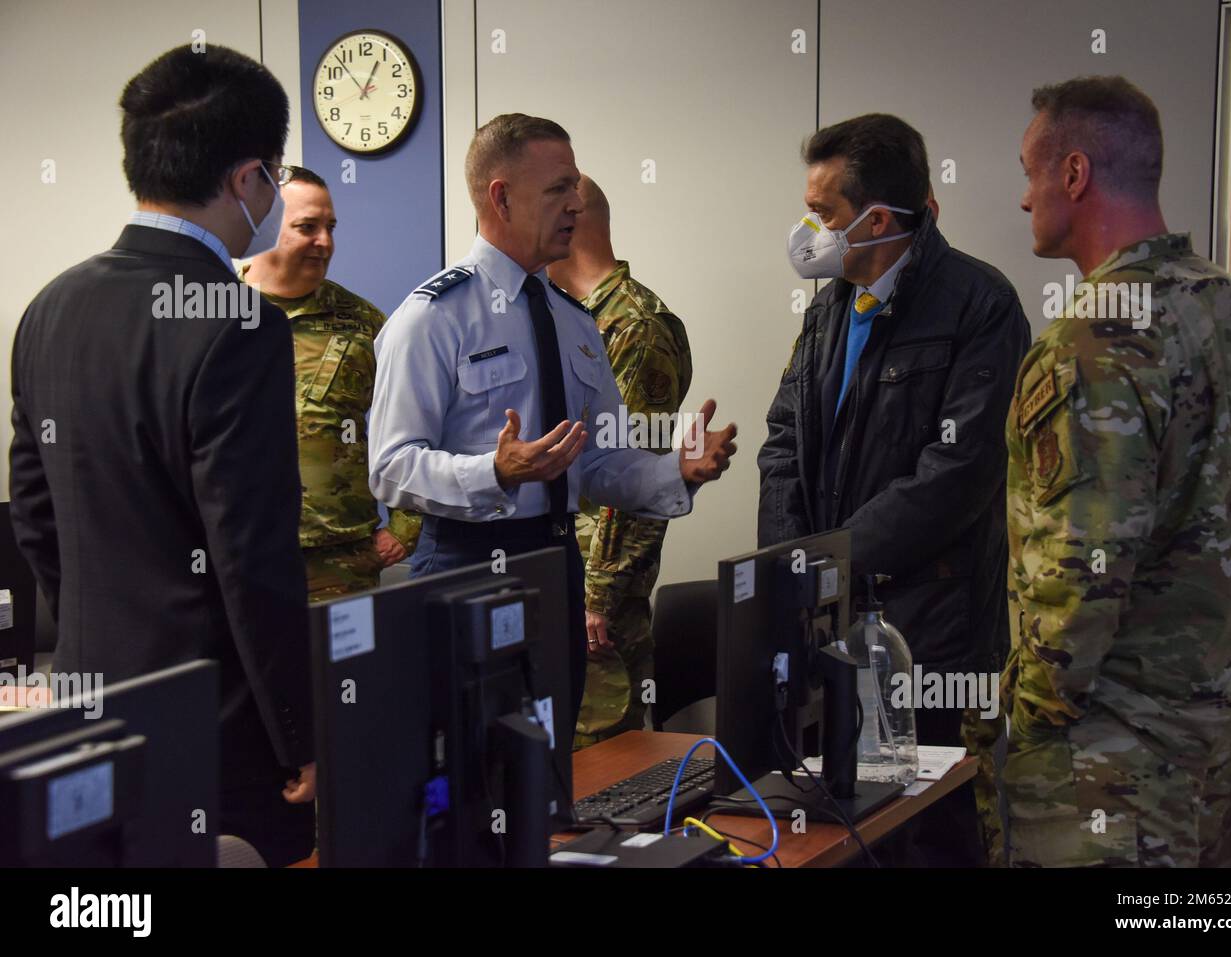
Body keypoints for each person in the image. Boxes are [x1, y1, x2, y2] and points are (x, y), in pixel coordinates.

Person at [8, 45, 316, 867]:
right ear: (248, 178)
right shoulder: (240, 324)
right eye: (277, 175)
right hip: (217, 724)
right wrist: (301, 733)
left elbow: (34, 513)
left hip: (88, 708)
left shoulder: (50, 307)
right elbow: (252, 559)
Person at [368, 113, 736, 725]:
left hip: (556, 563)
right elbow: (389, 467)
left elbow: (600, 464)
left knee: (552, 760)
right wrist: (494, 472)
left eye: (575, 188)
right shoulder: (433, 316)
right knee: (467, 759)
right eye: (558, 189)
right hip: (466, 565)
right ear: (501, 198)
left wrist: (676, 471)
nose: (576, 204)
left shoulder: (574, 319)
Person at [1003, 75, 1231, 867]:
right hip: (1207, 722)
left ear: (1074, 173)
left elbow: (1081, 572)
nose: (1024, 199)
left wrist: (1027, 717)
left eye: (1030, 173)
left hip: (1107, 754)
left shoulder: (1088, 343)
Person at [757, 113, 1031, 866]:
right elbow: (782, 440)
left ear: (877, 219)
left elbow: (958, 472)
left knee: (935, 829)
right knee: (848, 823)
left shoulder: (979, 303)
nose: (809, 232)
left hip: (933, 631)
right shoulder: (830, 307)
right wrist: (793, 564)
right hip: (831, 618)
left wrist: (829, 560)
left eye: (824, 214)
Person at [547, 176, 692, 747]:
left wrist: (597, 596)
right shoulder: (568, 315)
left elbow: (636, 475)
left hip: (599, 603)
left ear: (571, 218)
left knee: (604, 761)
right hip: (563, 582)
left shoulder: (636, 326)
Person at [239, 165, 422, 601]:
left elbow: (414, 423)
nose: (325, 242)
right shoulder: (215, 314)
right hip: (239, 555)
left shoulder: (362, 321)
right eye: (307, 227)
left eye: (330, 228)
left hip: (342, 560)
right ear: (263, 226)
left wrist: (405, 527)